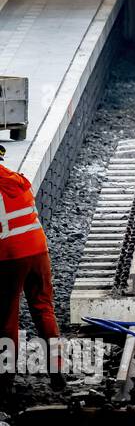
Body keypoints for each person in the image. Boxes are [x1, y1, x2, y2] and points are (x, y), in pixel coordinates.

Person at [0, 144, 63, 401]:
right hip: (38, 250)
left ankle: (5, 381)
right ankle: (57, 368)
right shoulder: (17, 180)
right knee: (44, 308)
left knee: (7, 317)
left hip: (11, 256)